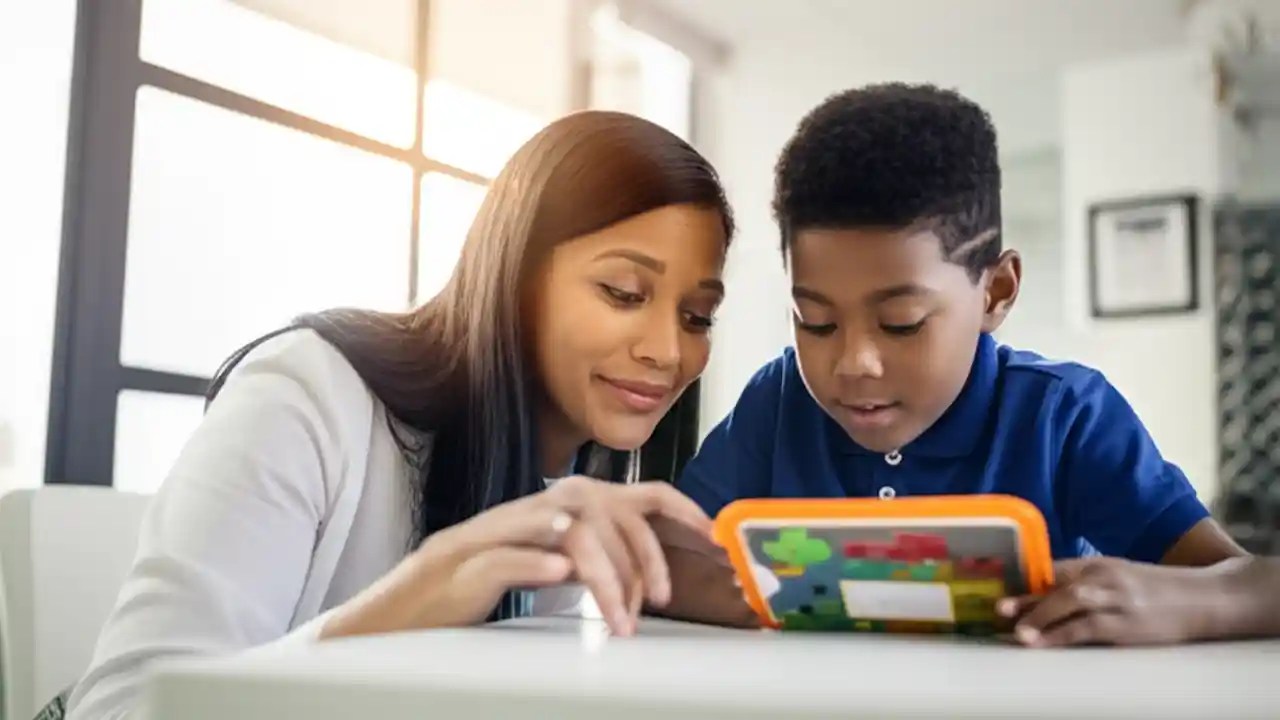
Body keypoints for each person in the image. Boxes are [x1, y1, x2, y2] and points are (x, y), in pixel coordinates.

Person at [65, 111, 734, 720]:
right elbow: (118, 710)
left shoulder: (583, 481)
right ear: (517, 273)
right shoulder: (305, 395)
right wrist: (413, 601)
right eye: (623, 292)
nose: (668, 351)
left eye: (697, 316)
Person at [662, 83, 1252, 645]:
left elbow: (1252, 581)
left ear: (996, 292)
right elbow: (664, 559)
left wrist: (1185, 601)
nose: (854, 364)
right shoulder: (779, 401)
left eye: (901, 323)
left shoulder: (1062, 417)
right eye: (815, 322)